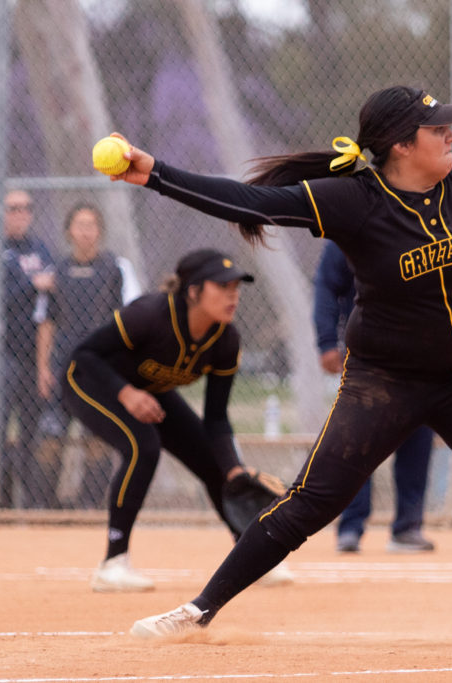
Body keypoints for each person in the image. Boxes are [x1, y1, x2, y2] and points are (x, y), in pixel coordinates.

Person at [108, 86, 452, 650]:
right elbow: (252, 202)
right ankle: (196, 611)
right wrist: (154, 174)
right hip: (385, 383)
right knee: (310, 502)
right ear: (401, 145)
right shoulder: (355, 201)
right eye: (437, 129)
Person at [62, 248, 292, 592]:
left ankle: (252, 557)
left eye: (235, 287)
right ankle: (113, 563)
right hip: (89, 381)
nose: (233, 295)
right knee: (143, 446)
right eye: (222, 286)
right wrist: (126, 393)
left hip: (148, 391)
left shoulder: (226, 340)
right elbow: (84, 354)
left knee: (215, 462)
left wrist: (233, 469)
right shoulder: (150, 315)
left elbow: (216, 418)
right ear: (194, 291)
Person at [313, 240, 436, 553]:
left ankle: (407, 527)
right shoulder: (352, 225)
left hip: (421, 352)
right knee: (359, 441)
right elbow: (326, 286)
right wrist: (327, 341)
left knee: (418, 436)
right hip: (367, 352)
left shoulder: (428, 227)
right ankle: (351, 527)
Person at [36, 203, 141, 508]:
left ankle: (89, 507)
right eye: (79, 225)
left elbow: (130, 320)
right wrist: (43, 367)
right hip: (62, 367)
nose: (85, 231)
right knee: (50, 437)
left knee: (98, 438)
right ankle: (46, 508)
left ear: (100, 231)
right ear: (69, 231)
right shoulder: (56, 271)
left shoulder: (115, 269)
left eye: (91, 225)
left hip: (100, 369)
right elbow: (46, 322)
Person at [0, 189, 56, 508]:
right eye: (13, 208)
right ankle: (1, 499)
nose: (20, 213)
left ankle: (31, 502)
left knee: (31, 429)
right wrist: (31, 285)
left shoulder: (40, 248)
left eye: (25, 208)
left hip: (37, 354)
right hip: (4, 353)